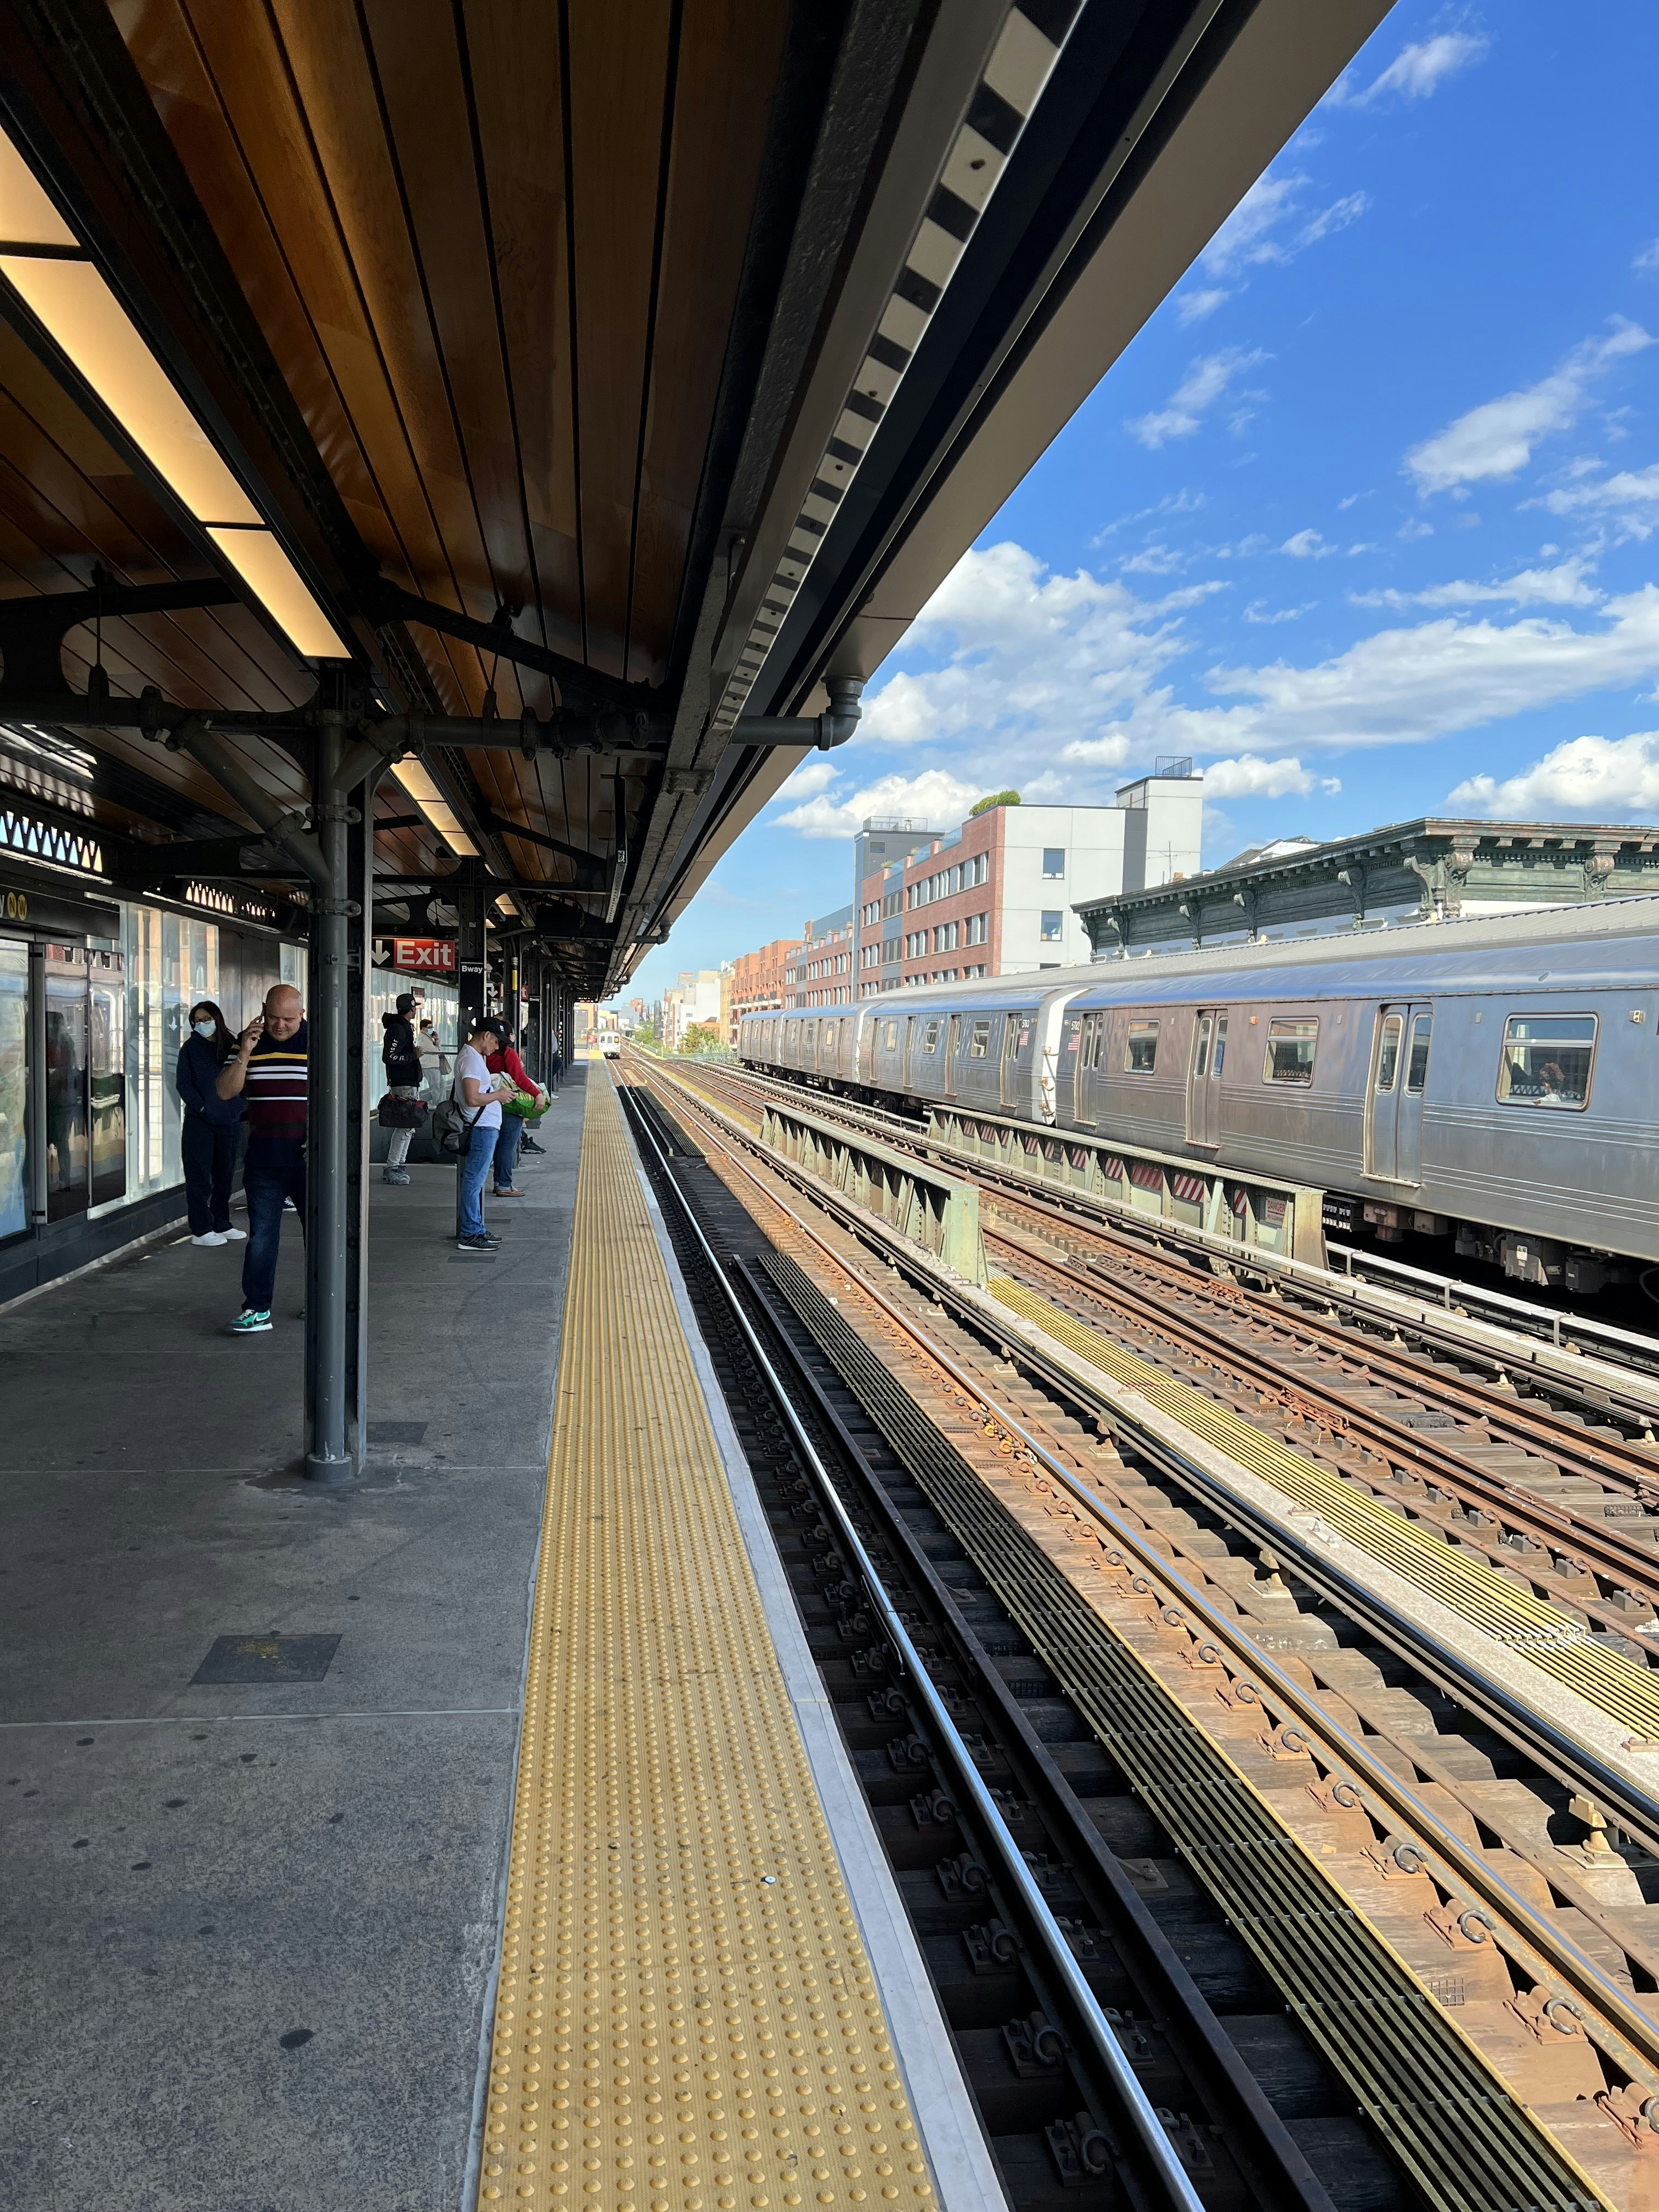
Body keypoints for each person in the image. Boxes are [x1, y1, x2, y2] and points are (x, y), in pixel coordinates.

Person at [216, 984, 308, 1333]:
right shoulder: (247, 1041)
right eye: (273, 1018)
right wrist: (245, 1053)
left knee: (321, 1236)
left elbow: (339, 1094)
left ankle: (320, 1299)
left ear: (302, 1013)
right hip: (264, 1158)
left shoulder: (318, 1041)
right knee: (262, 1236)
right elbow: (225, 1092)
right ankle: (257, 1308)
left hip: (307, 1160)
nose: (280, 1026)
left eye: (288, 1019)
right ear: (262, 1011)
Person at [175, 999, 247, 1245]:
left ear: (217, 1018)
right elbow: (183, 1083)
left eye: (207, 1019)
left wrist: (239, 1106)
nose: (202, 1024)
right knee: (199, 1177)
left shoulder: (232, 1045)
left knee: (225, 1175)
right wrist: (202, 1106)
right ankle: (201, 1229)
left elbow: (245, 1074)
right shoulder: (190, 1049)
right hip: (200, 1122)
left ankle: (222, 1223)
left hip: (229, 1120)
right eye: (197, 1021)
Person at [454, 1018, 517, 1251]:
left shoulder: (474, 1058)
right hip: (481, 1129)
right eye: (496, 1042)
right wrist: (498, 1096)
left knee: (476, 1181)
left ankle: (477, 1228)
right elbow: (472, 1098)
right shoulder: (471, 1060)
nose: (497, 1048)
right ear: (487, 1036)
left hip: (485, 1128)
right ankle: (470, 1234)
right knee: (474, 1181)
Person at [481, 1016, 548, 1198]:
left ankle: (498, 1182)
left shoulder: (482, 1054)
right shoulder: (507, 1053)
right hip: (510, 1104)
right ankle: (504, 1184)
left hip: (488, 1103)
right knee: (507, 1146)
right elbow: (520, 1079)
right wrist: (537, 1094)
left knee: (494, 1145)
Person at [380, 992, 425, 1185]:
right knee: (405, 1127)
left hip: (408, 1082)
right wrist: (413, 1057)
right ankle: (393, 1167)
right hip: (403, 1082)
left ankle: (398, 1164)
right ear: (412, 1008)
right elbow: (389, 1057)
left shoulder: (403, 1027)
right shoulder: (398, 1029)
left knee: (408, 1126)